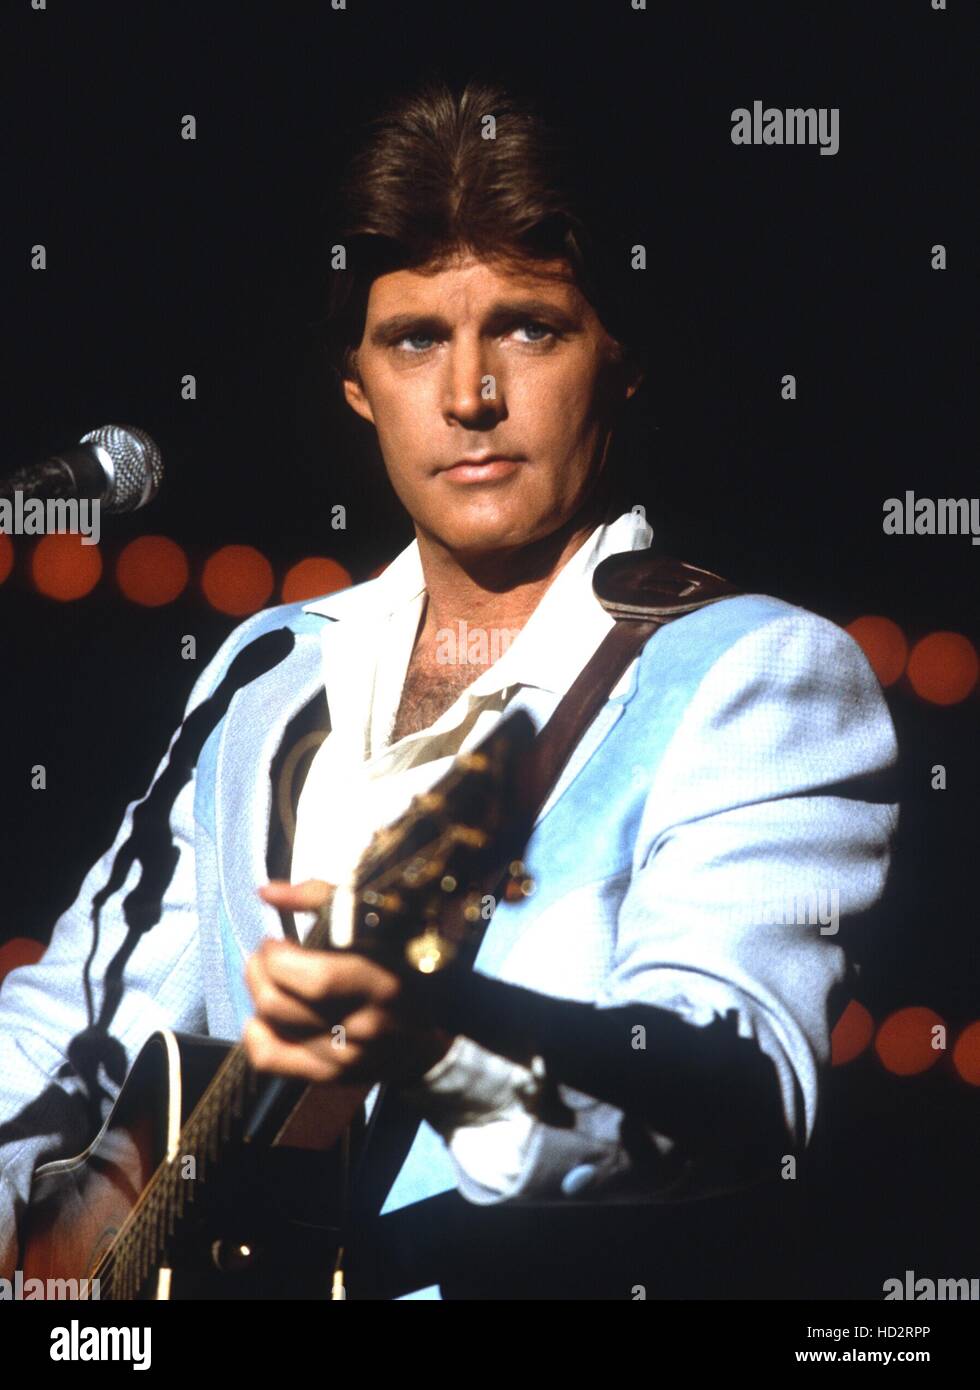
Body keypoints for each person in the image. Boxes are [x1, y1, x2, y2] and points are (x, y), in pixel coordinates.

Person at [0, 75, 898, 1300]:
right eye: (416, 337)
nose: (470, 396)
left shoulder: (753, 671)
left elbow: (740, 1085)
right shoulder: (269, 663)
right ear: (358, 386)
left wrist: (434, 1034)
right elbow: (69, 1018)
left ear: (618, 363)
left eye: (528, 328)